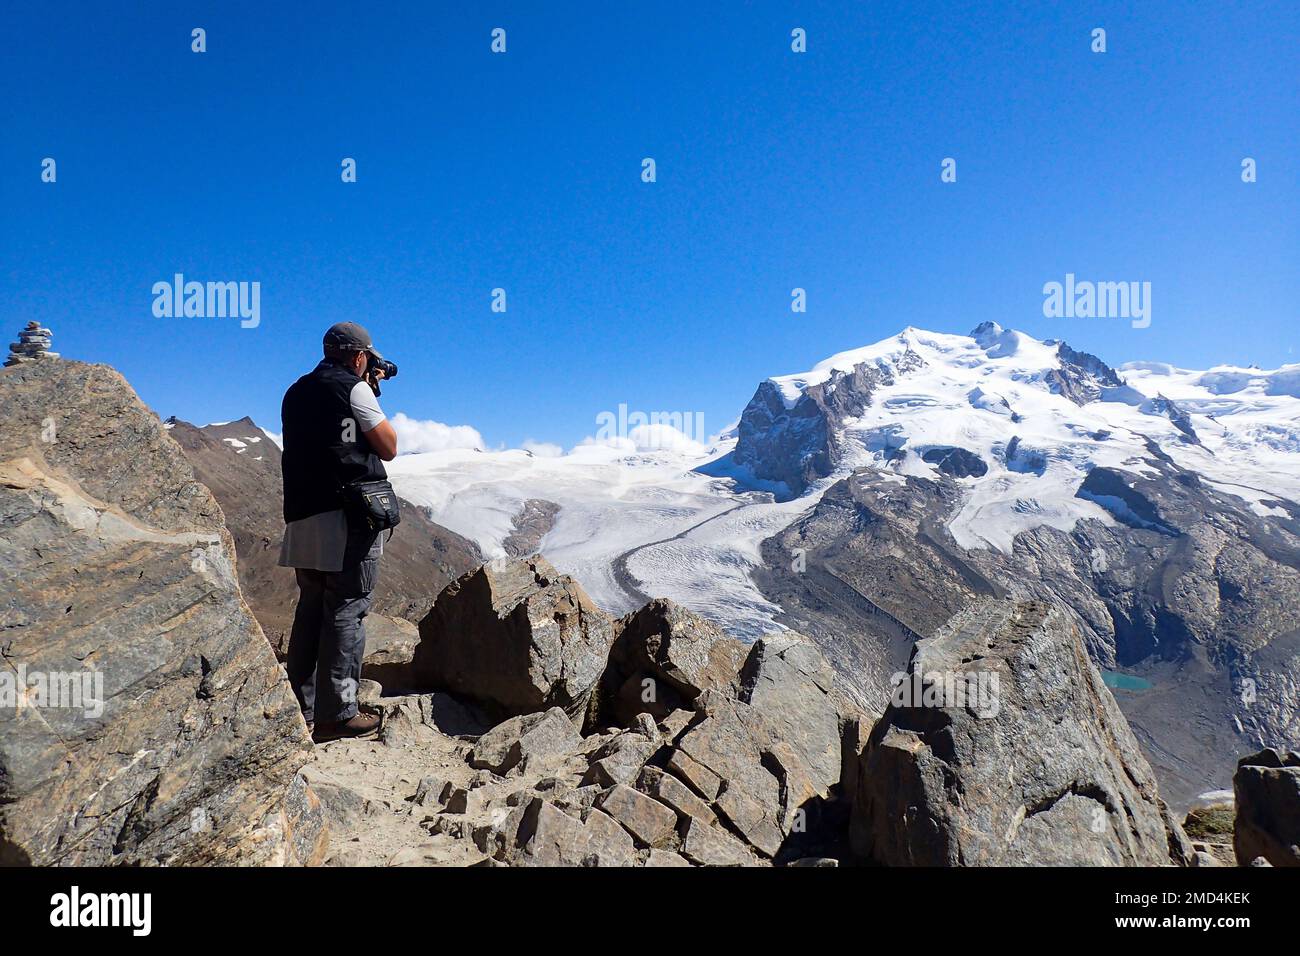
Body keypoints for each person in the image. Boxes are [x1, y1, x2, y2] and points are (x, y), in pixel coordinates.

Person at [279, 322, 398, 742]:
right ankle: (339, 714)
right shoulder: (354, 388)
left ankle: (300, 709)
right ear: (359, 356)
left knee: (311, 608)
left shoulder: (295, 392)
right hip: (346, 518)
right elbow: (387, 445)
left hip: (302, 517)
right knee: (348, 609)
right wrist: (369, 389)